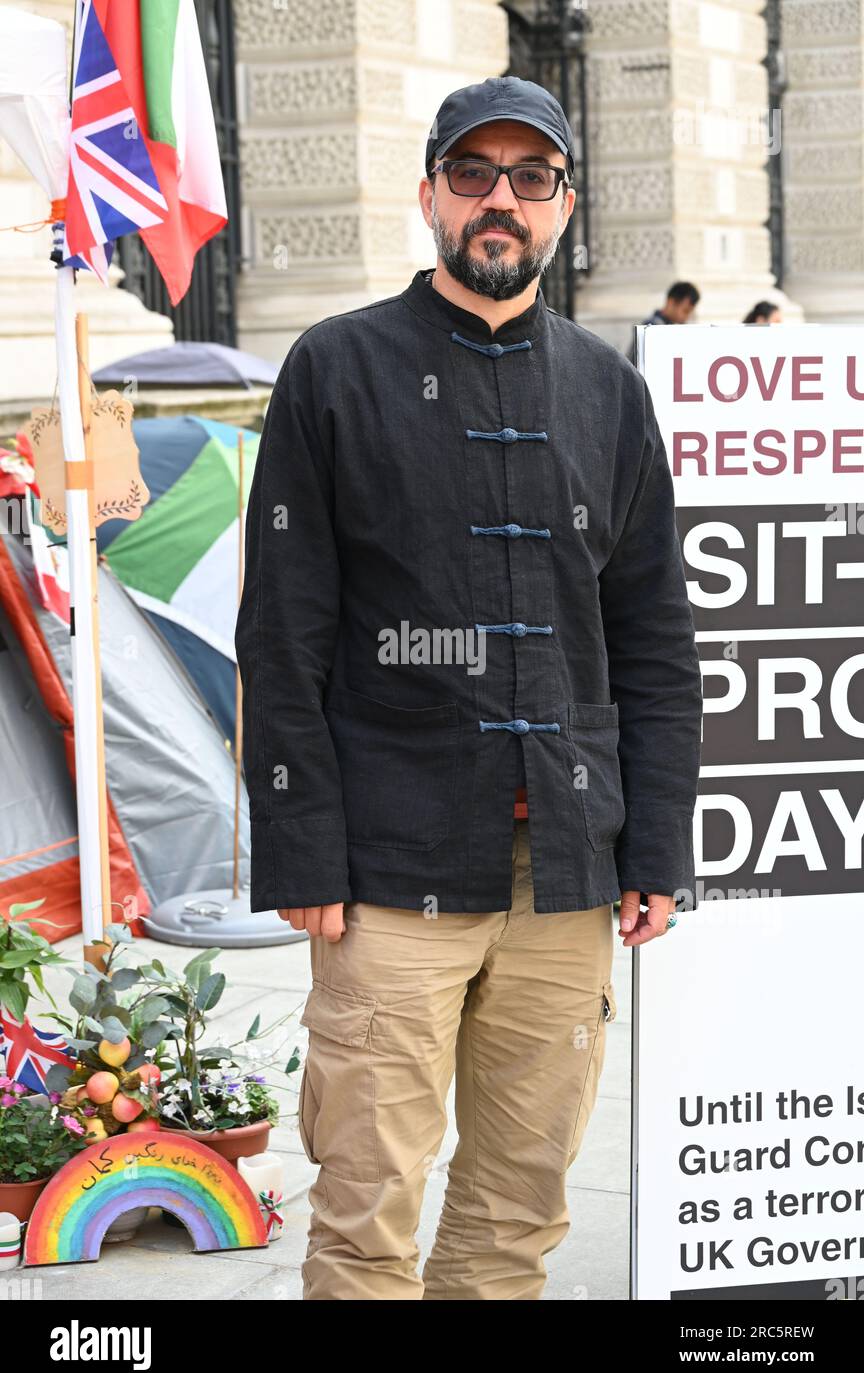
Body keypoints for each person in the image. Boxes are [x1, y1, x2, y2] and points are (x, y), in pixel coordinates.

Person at [235, 74, 704, 1301]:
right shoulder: (334, 370)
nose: (503, 201)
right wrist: (302, 851)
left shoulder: (611, 391)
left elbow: (654, 636)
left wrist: (652, 840)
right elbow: (283, 633)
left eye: (531, 178)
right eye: (475, 175)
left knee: (516, 1218)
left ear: (563, 204)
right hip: (390, 874)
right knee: (366, 1216)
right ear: (432, 192)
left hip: (567, 872)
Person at [628, 281, 700, 363]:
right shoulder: (653, 328)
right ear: (671, 302)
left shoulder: (662, 327)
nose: (687, 317)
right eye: (685, 311)